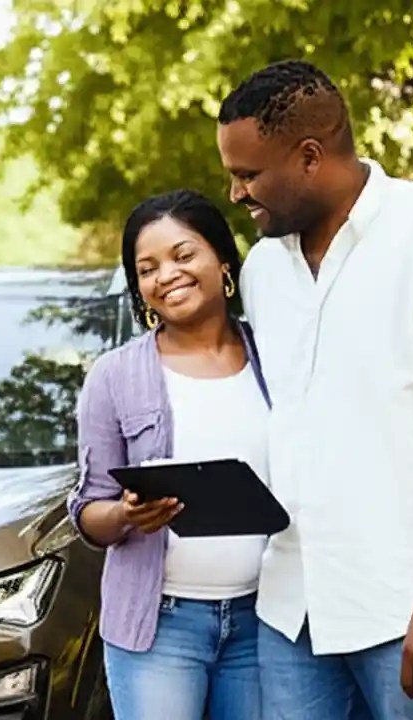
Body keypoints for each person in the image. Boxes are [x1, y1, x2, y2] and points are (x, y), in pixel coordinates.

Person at [215, 59, 413, 719]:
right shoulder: (263, 271)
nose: (236, 193)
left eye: (248, 174)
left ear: (309, 156)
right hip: (293, 613)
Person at [67, 189, 272, 719]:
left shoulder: (276, 355)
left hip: (266, 620)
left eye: (183, 255)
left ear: (222, 260)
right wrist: (126, 515)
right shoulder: (114, 376)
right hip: (160, 627)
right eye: (148, 268)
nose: (167, 276)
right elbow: (88, 511)